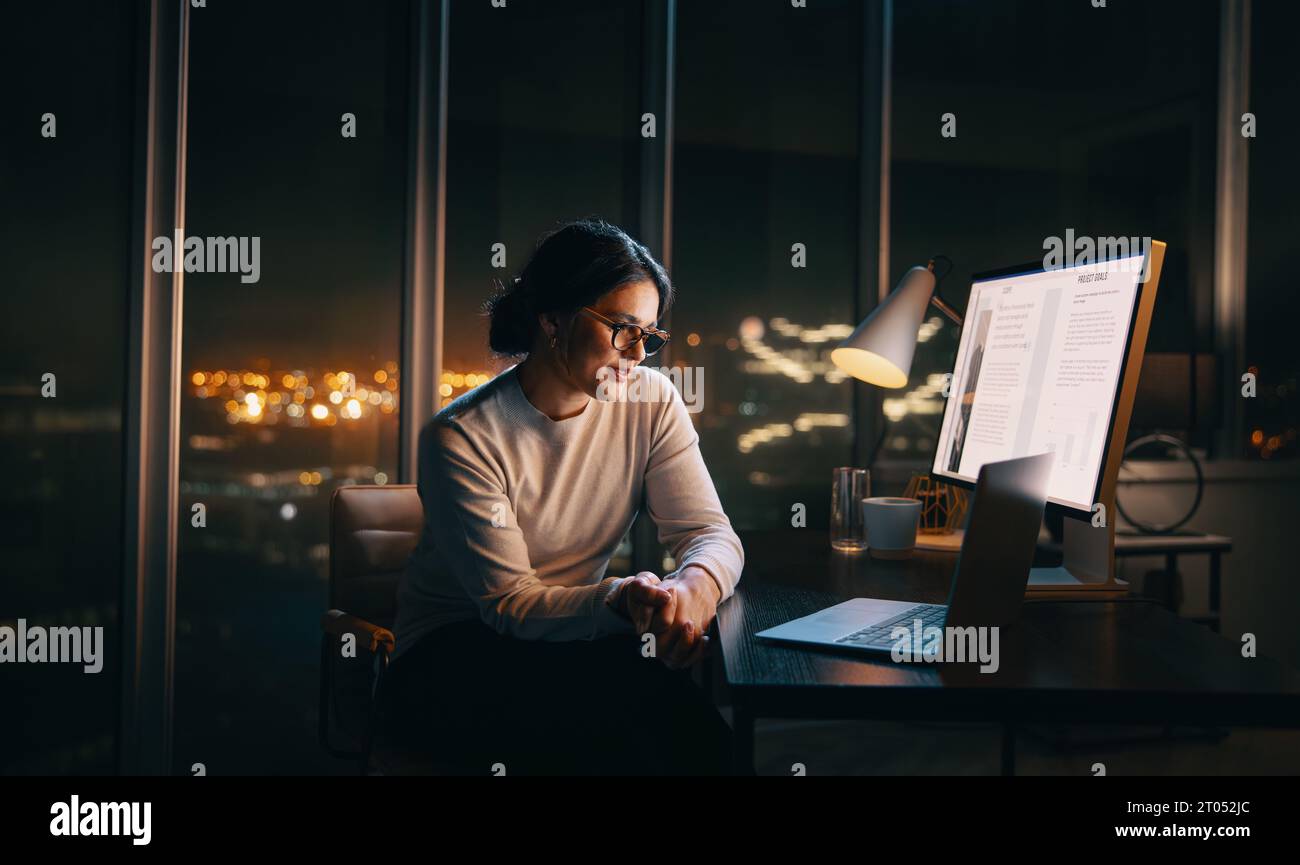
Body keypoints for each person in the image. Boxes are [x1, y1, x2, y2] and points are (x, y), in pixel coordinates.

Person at [382, 218, 745, 775]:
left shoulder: (650, 401)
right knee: (634, 723)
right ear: (552, 321)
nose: (639, 353)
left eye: (649, 334)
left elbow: (708, 533)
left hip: (571, 639)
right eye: (623, 328)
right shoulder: (463, 435)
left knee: (688, 732)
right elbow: (510, 604)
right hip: (454, 653)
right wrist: (619, 597)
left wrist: (694, 589)